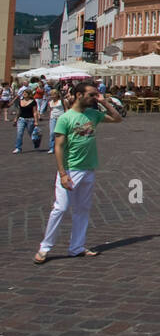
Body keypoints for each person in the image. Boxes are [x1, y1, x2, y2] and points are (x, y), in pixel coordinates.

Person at [34, 80, 123, 263]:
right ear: (79, 95)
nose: (93, 98)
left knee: (82, 209)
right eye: (91, 95)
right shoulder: (65, 118)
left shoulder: (93, 114)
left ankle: (77, 247)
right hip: (70, 169)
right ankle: (45, 247)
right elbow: (58, 147)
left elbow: (117, 118)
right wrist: (63, 174)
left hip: (88, 168)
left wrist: (104, 101)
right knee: (60, 208)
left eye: (95, 95)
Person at [13, 84, 40, 153]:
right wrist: (16, 119)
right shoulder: (20, 101)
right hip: (21, 119)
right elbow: (19, 111)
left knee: (32, 135)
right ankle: (18, 148)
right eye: (23, 93)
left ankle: (36, 142)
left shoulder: (33, 102)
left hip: (30, 120)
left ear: (29, 94)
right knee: (19, 133)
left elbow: (35, 112)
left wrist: (36, 121)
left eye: (25, 93)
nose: (24, 94)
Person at [47, 88, 65, 152]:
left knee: (61, 133)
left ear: (57, 95)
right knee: (52, 133)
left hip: (61, 118)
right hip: (53, 118)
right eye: (51, 95)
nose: (52, 96)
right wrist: (50, 117)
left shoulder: (62, 101)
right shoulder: (50, 102)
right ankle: (52, 147)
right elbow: (50, 110)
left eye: (54, 94)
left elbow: (66, 108)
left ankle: (63, 146)